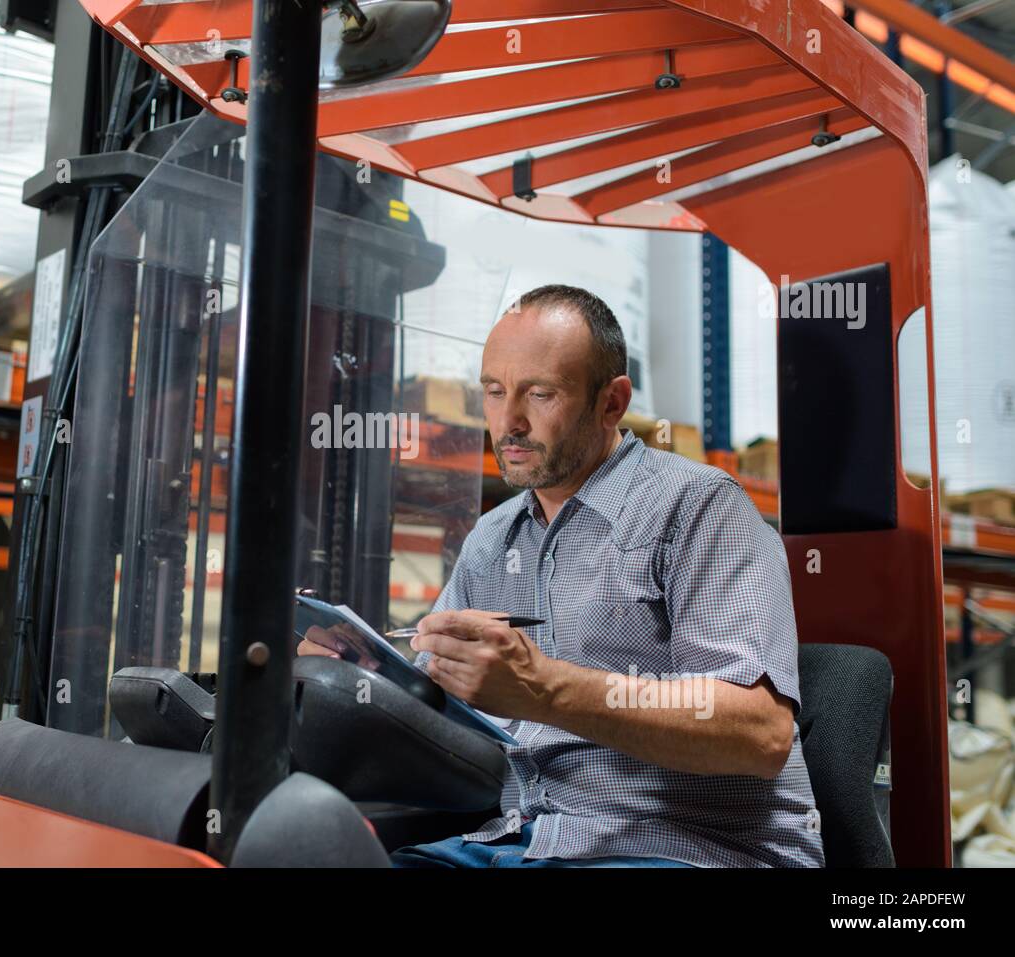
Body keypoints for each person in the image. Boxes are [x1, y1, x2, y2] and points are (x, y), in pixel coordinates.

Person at [298, 284, 824, 868]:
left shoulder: (700, 508)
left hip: (688, 848)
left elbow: (760, 734)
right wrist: (361, 677)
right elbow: (440, 707)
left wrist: (544, 688)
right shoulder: (492, 539)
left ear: (611, 402)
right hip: (522, 840)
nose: (509, 421)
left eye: (539, 394)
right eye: (494, 392)